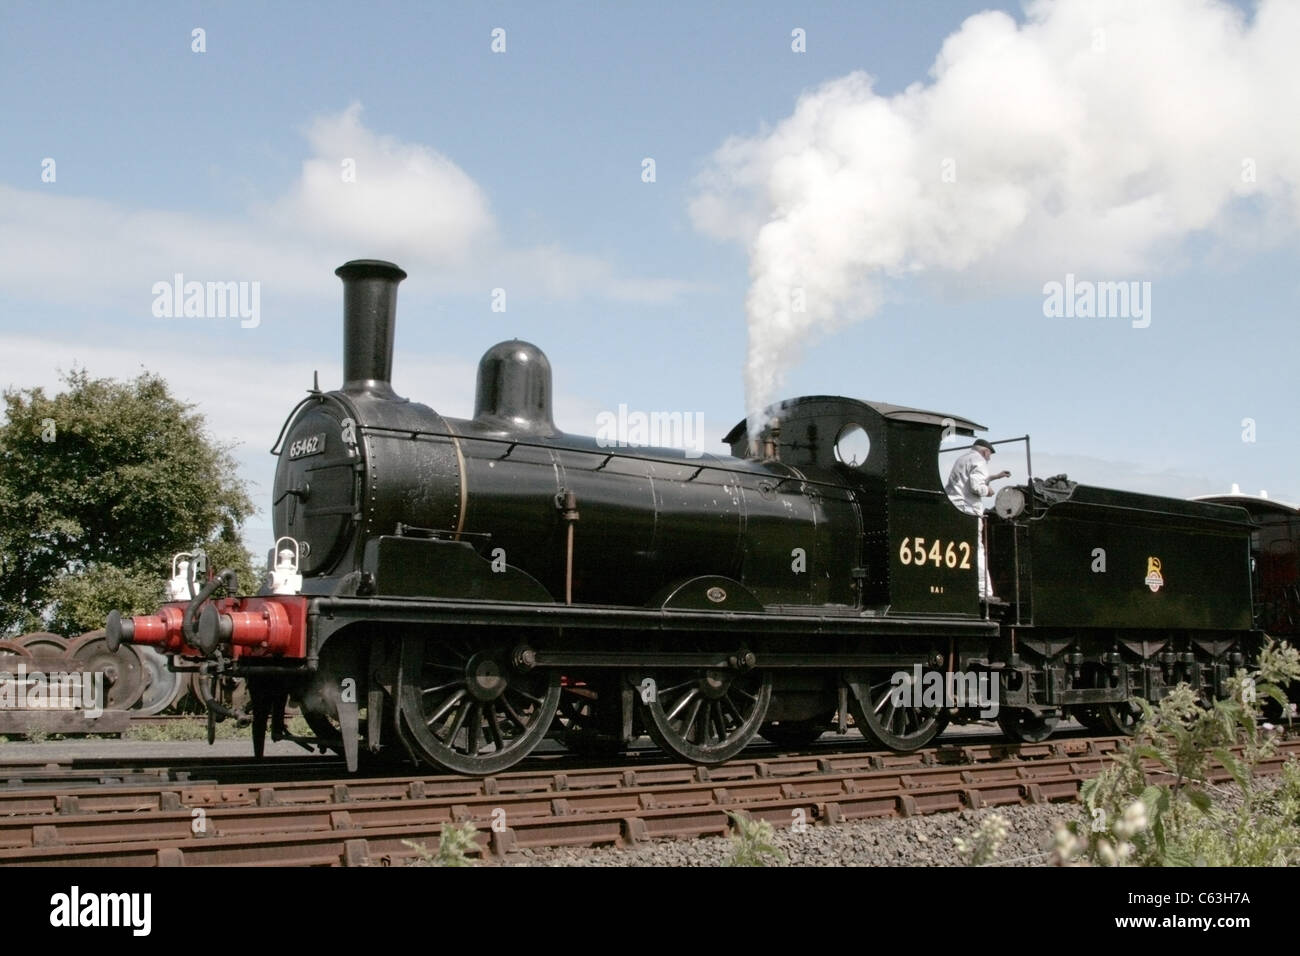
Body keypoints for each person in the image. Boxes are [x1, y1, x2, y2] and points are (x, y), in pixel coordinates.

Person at [945, 439, 1010, 601]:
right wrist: (988, 491)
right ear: (985, 452)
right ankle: (984, 592)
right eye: (989, 456)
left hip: (953, 508)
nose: (989, 459)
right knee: (977, 550)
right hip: (969, 510)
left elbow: (968, 479)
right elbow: (976, 487)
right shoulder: (980, 460)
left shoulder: (962, 459)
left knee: (957, 550)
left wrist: (995, 476)